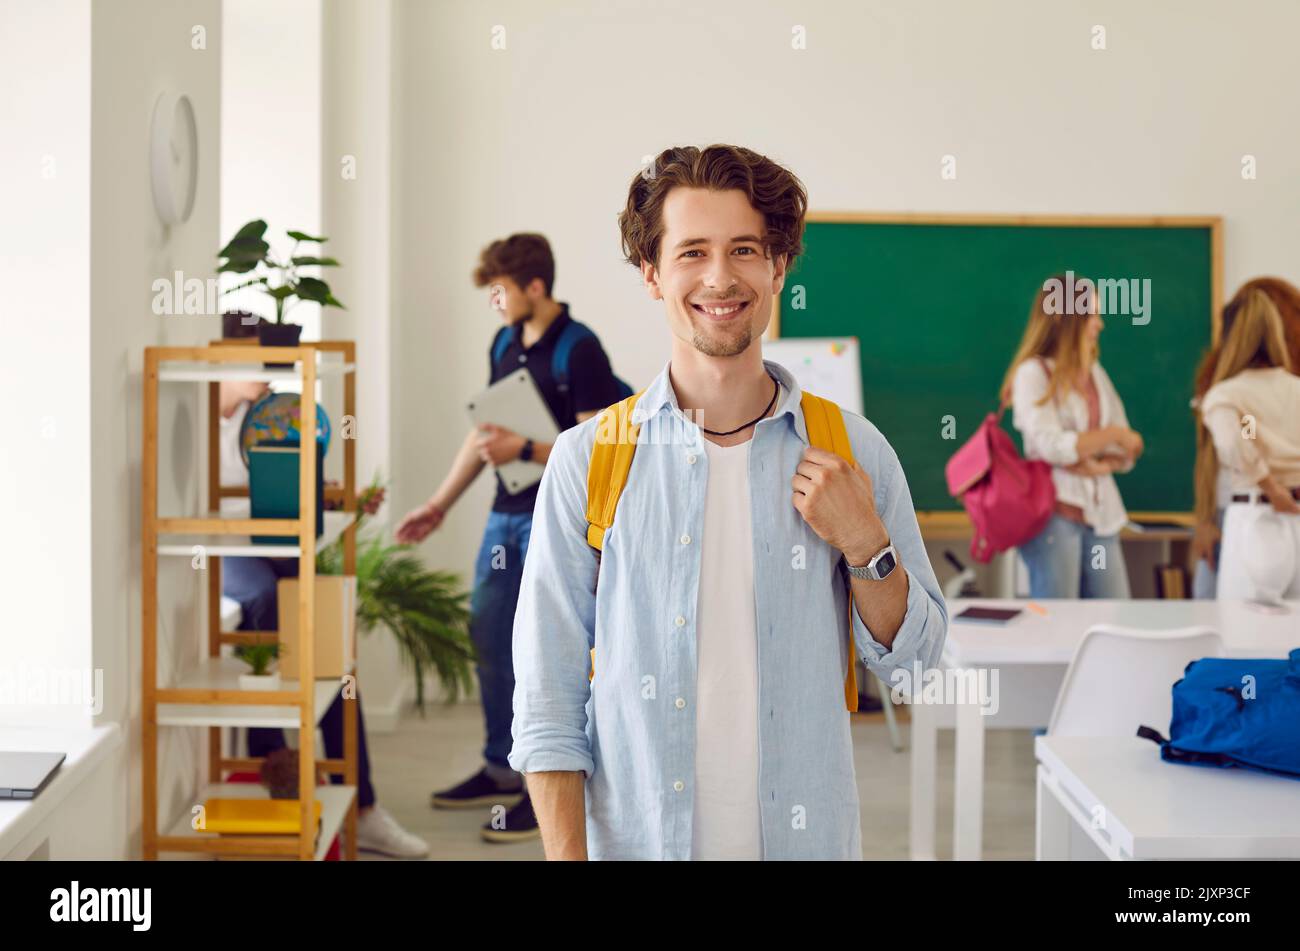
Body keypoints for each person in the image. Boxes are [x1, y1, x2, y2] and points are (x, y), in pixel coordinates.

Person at [508, 145, 948, 861]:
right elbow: (548, 701)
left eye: (745, 249)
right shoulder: (588, 462)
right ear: (652, 273)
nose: (720, 277)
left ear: (778, 267)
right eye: (692, 252)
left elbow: (917, 673)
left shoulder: (855, 453)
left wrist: (868, 545)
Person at [395, 233, 622, 842]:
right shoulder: (502, 342)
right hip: (504, 514)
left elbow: (594, 451)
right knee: (490, 635)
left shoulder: (581, 351)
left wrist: (522, 448)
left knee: (546, 654)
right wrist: (439, 506)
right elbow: (484, 436)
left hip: (559, 519)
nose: (495, 304)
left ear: (536, 288)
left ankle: (540, 787)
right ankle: (501, 766)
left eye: (501, 292)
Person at [218, 379, 429, 859]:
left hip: (278, 535)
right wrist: (228, 395)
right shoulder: (201, 405)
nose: (266, 376)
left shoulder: (268, 413)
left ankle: (365, 810)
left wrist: (338, 497)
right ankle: (271, 763)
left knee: (333, 654)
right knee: (263, 600)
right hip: (231, 546)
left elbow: (285, 481)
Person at [1002, 275, 1143, 598]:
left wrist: (1098, 460)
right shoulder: (1032, 374)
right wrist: (1111, 435)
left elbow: (1130, 445)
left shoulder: (1095, 373)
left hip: (1102, 515)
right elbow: (1051, 446)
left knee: (1113, 616)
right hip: (1054, 516)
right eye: (1092, 314)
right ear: (1067, 319)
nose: (1100, 324)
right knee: (1056, 624)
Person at [1190, 278, 1300, 597]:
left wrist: (1268, 484)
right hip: (1291, 514)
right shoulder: (1292, 389)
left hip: (1257, 518)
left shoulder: (1228, 394)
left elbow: (1236, 445)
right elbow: (1249, 436)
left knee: (1242, 630)